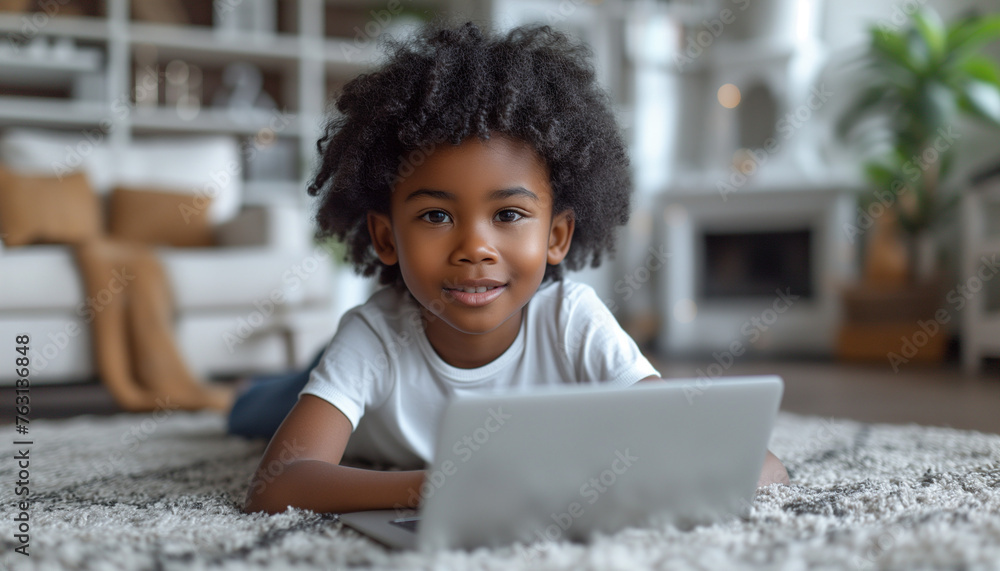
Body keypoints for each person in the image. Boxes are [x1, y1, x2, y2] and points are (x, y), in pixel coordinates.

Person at [239, 20, 788, 515]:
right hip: (343, 371)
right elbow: (278, 483)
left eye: (508, 214)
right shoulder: (372, 338)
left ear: (556, 236)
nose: (476, 248)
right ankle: (239, 388)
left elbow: (762, 467)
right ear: (386, 237)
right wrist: (443, 485)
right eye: (436, 214)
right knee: (253, 411)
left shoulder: (573, 321)